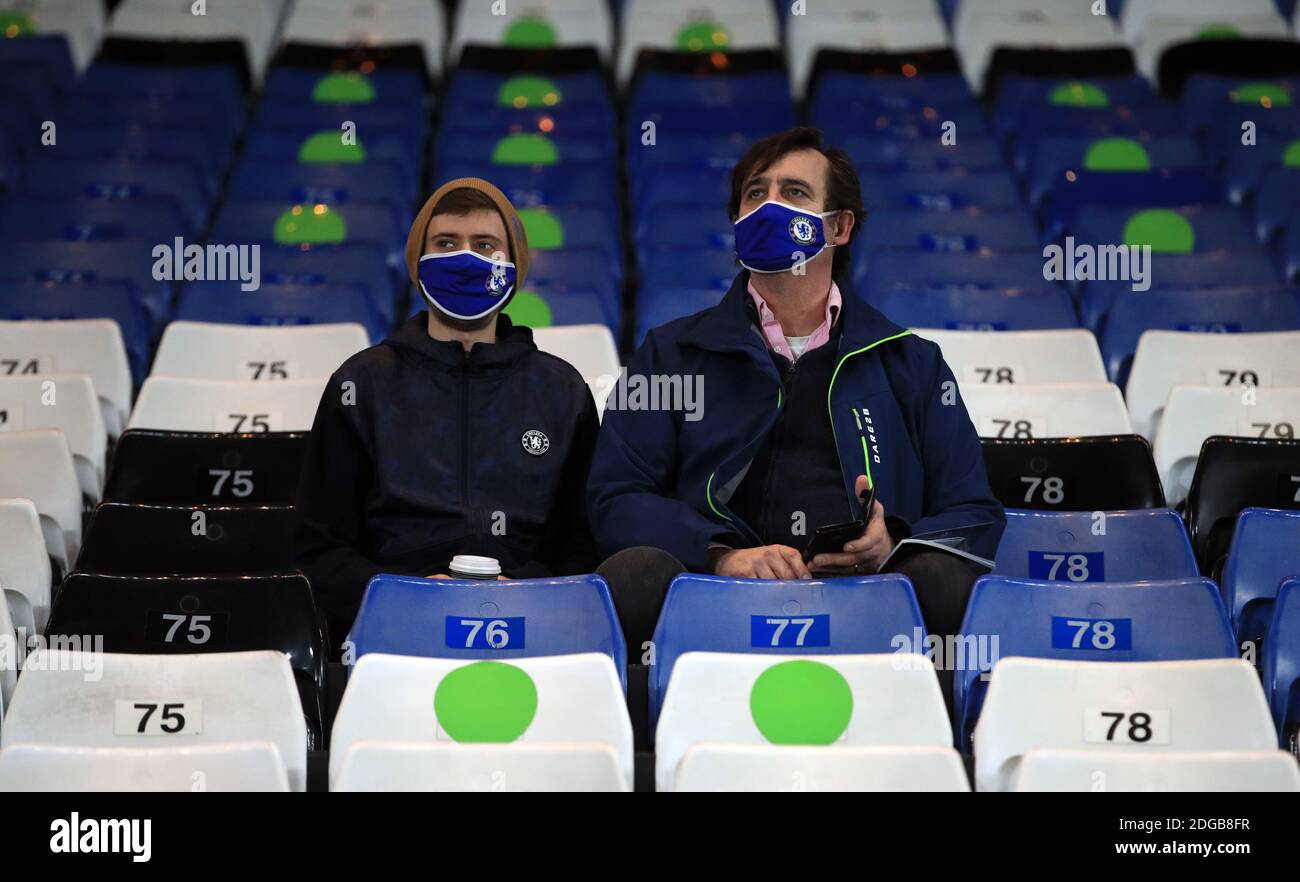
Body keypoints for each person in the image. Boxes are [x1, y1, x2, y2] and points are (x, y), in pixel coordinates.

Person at [589, 128, 1005, 690]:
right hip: (714, 594)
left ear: (840, 226)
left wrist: (890, 545)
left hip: (869, 598)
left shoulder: (911, 363)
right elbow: (616, 497)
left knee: (944, 580)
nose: (769, 208)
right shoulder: (671, 353)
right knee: (634, 574)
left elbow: (974, 512)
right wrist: (719, 555)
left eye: (794, 193)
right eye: (755, 194)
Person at [295, 177, 600, 649]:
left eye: (484, 245)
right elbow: (319, 546)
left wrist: (528, 590)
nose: (465, 258)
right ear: (419, 264)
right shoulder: (362, 383)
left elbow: (583, 544)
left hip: (533, 624)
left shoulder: (562, 389)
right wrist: (401, 593)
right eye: (446, 244)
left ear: (513, 267)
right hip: (393, 627)